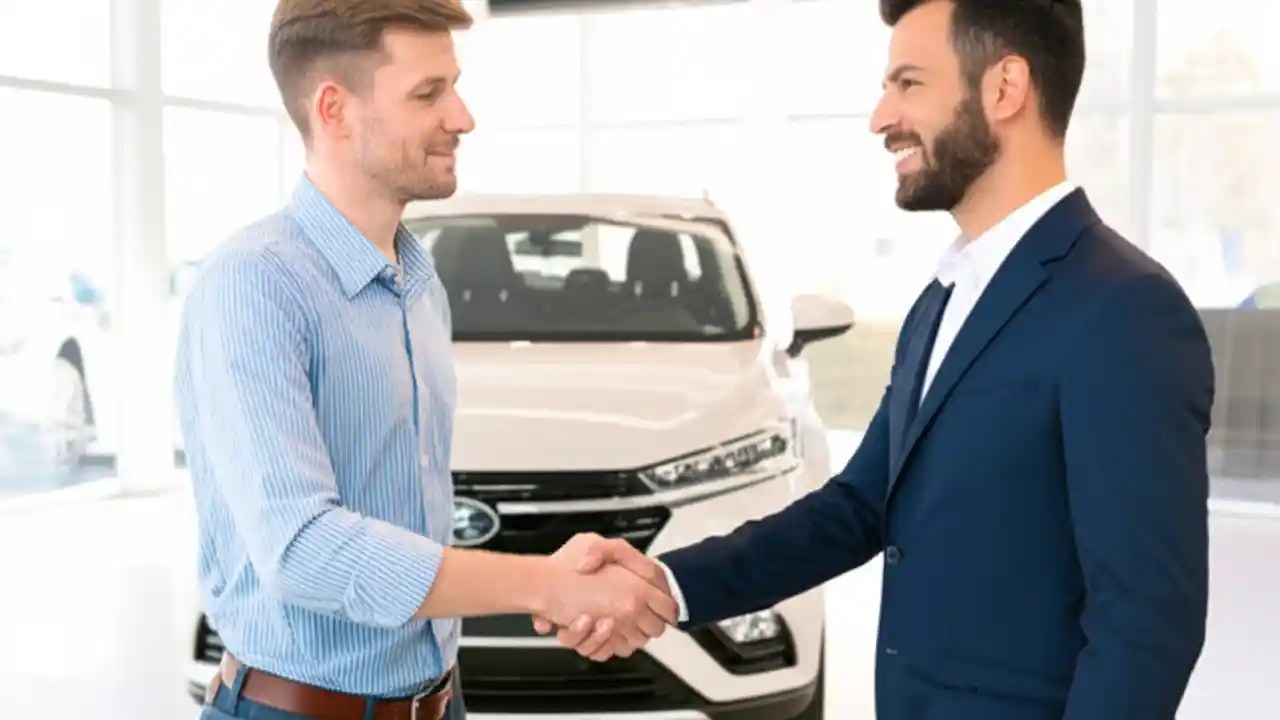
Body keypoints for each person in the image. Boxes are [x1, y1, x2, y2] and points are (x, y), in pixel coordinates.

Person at [539, 0, 1216, 717]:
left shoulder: (1123, 309)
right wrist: (666, 584)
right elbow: (859, 508)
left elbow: (1146, 621)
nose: (880, 116)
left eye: (909, 84)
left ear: (1005, 88)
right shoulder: (942, 300)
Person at [174, 2, 676, 719]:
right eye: (427, 93)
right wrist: (546, 584)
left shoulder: (418, 280)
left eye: (454, 86)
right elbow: (301, 549)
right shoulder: (255, 283)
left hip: (437, 701)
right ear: (334, 109)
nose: (462, 116)